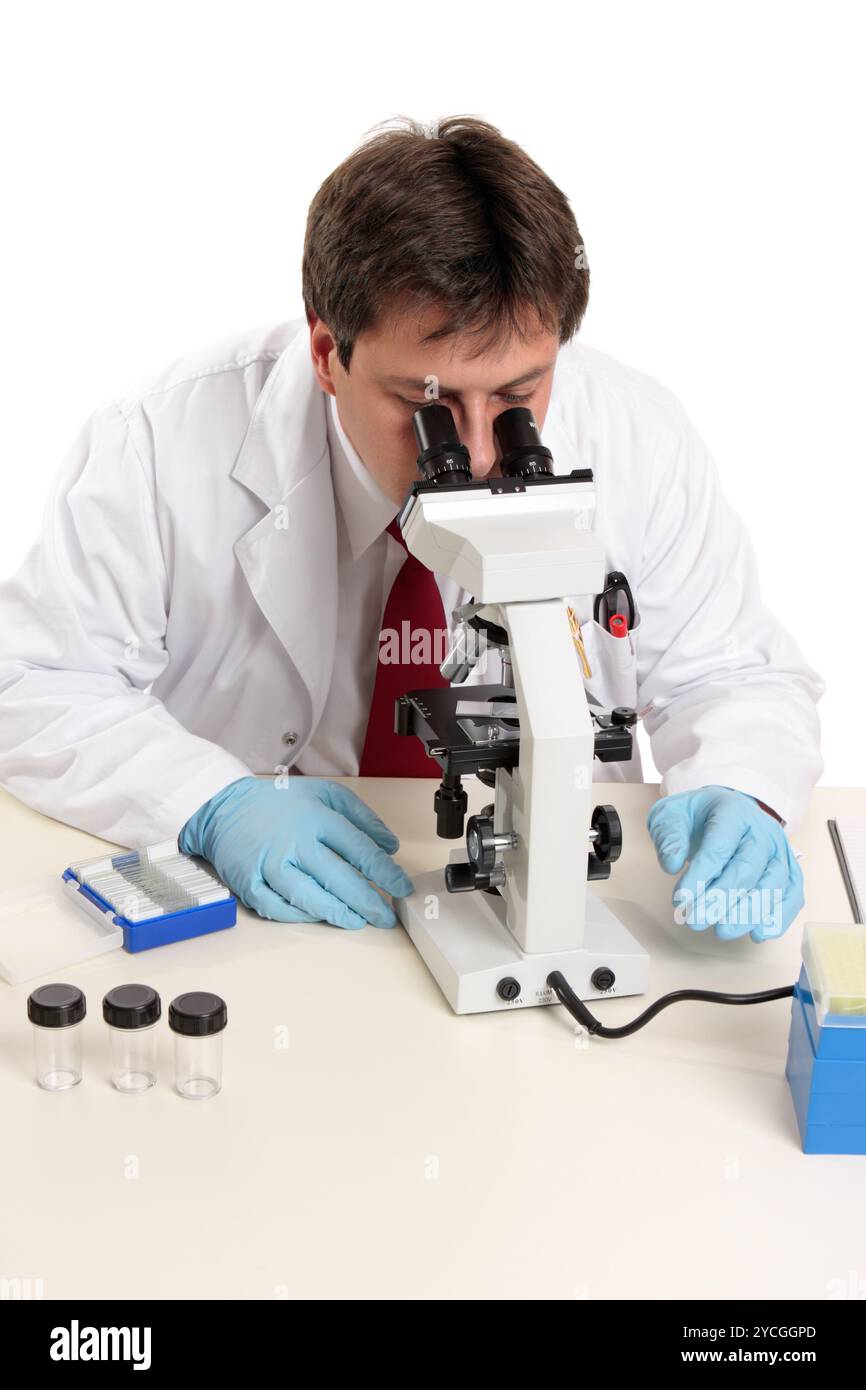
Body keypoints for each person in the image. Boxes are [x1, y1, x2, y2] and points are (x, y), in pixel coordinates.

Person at [0, 116, 824, 942]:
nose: (470, 451)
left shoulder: (637, 434)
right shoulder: (159, 442)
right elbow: (32, 680)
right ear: (327, 350)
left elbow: (733, 675)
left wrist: (741, 790)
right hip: (275, 915)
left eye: (515, 399)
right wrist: (206, 801)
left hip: (553, 897)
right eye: (425, 406)